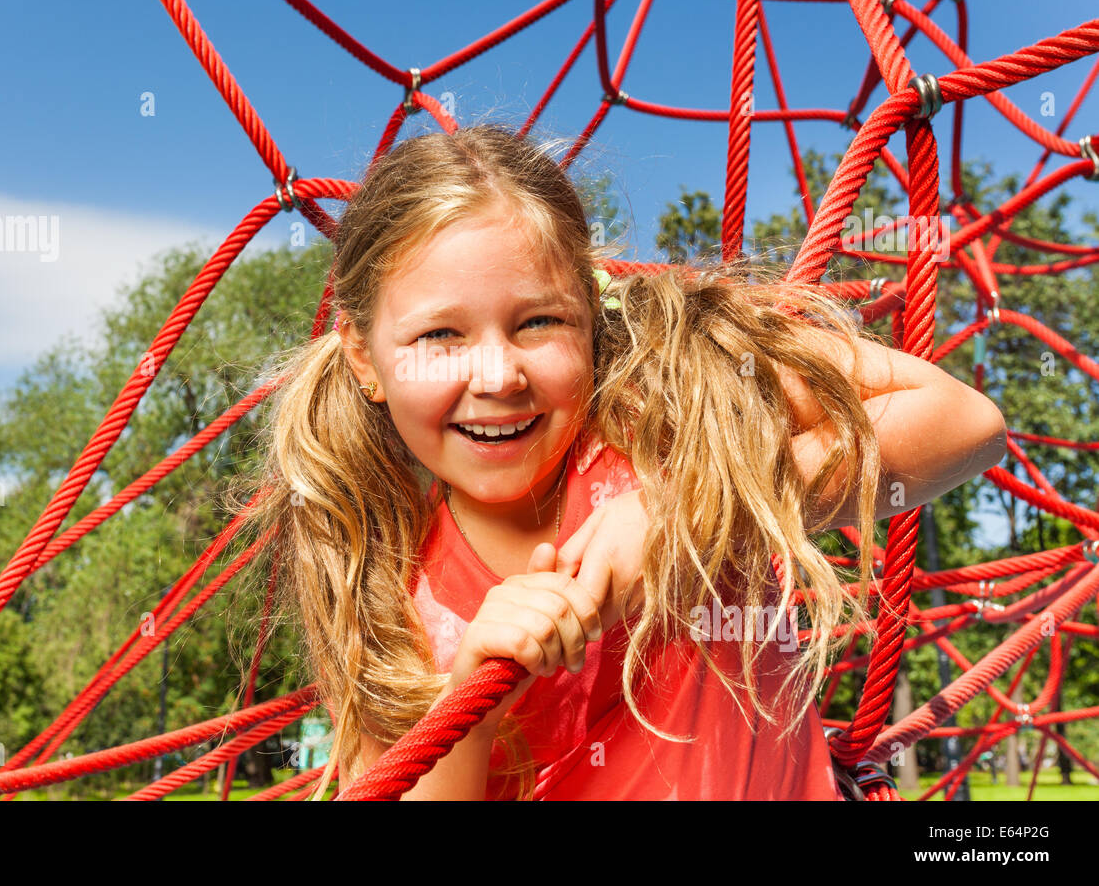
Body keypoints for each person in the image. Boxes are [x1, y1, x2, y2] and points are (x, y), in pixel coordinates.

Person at [228, 124, 1007, 800]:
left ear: (592, 317)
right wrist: (469, 705)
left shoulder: (669, 407)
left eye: (539, 321)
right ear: (365, 360)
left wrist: (698, 510)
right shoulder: (384, 580)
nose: (498, 377)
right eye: (441, 337)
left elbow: (965, 420)